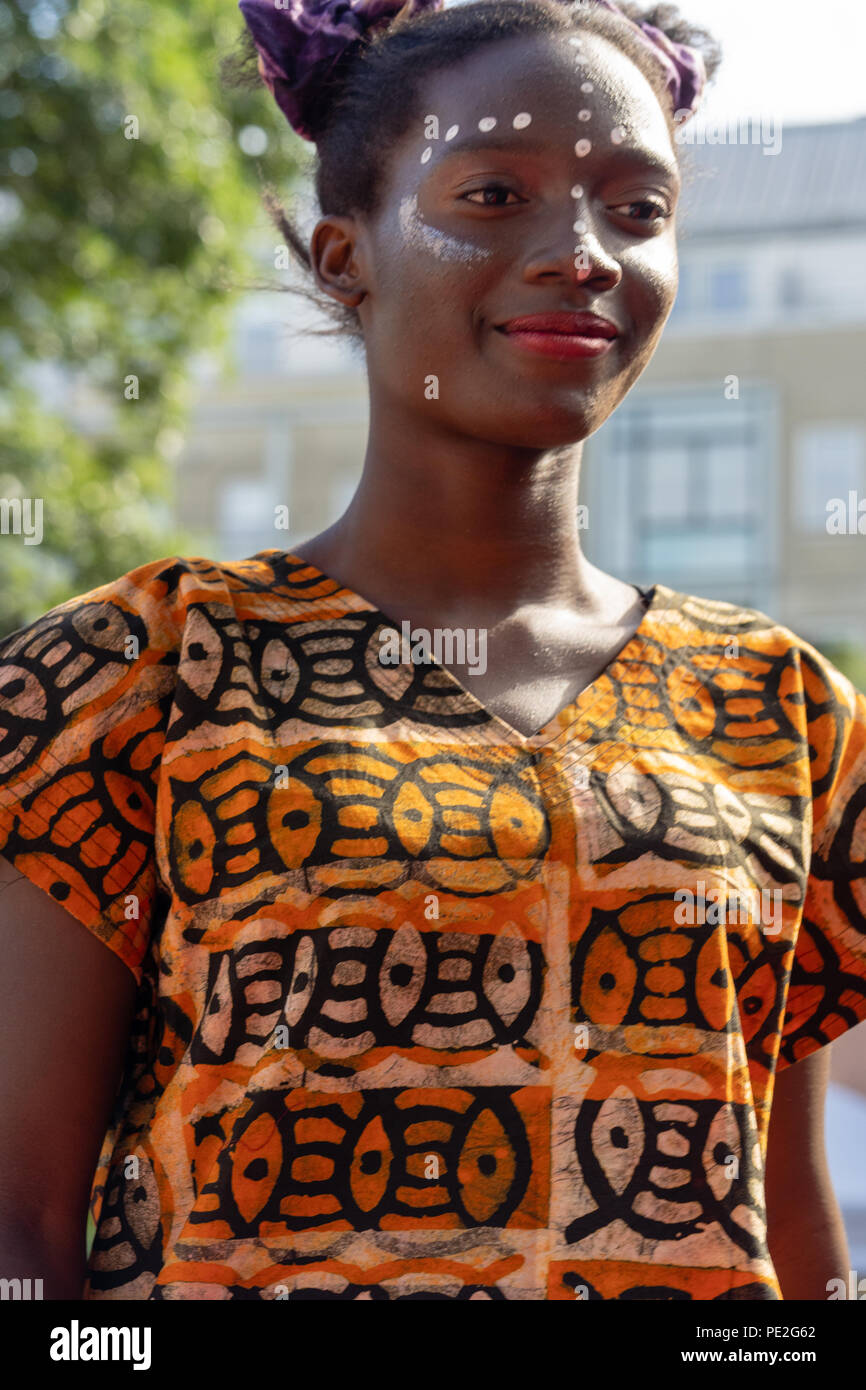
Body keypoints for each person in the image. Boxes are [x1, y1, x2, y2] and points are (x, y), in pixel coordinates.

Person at [0, 0, 864, 1302]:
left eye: (635, 209)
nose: (578, 253)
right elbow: (19, 1206)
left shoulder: (776, 706)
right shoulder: (129, 676)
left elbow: (789, 1226)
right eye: (495, 193)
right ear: (348, 256)